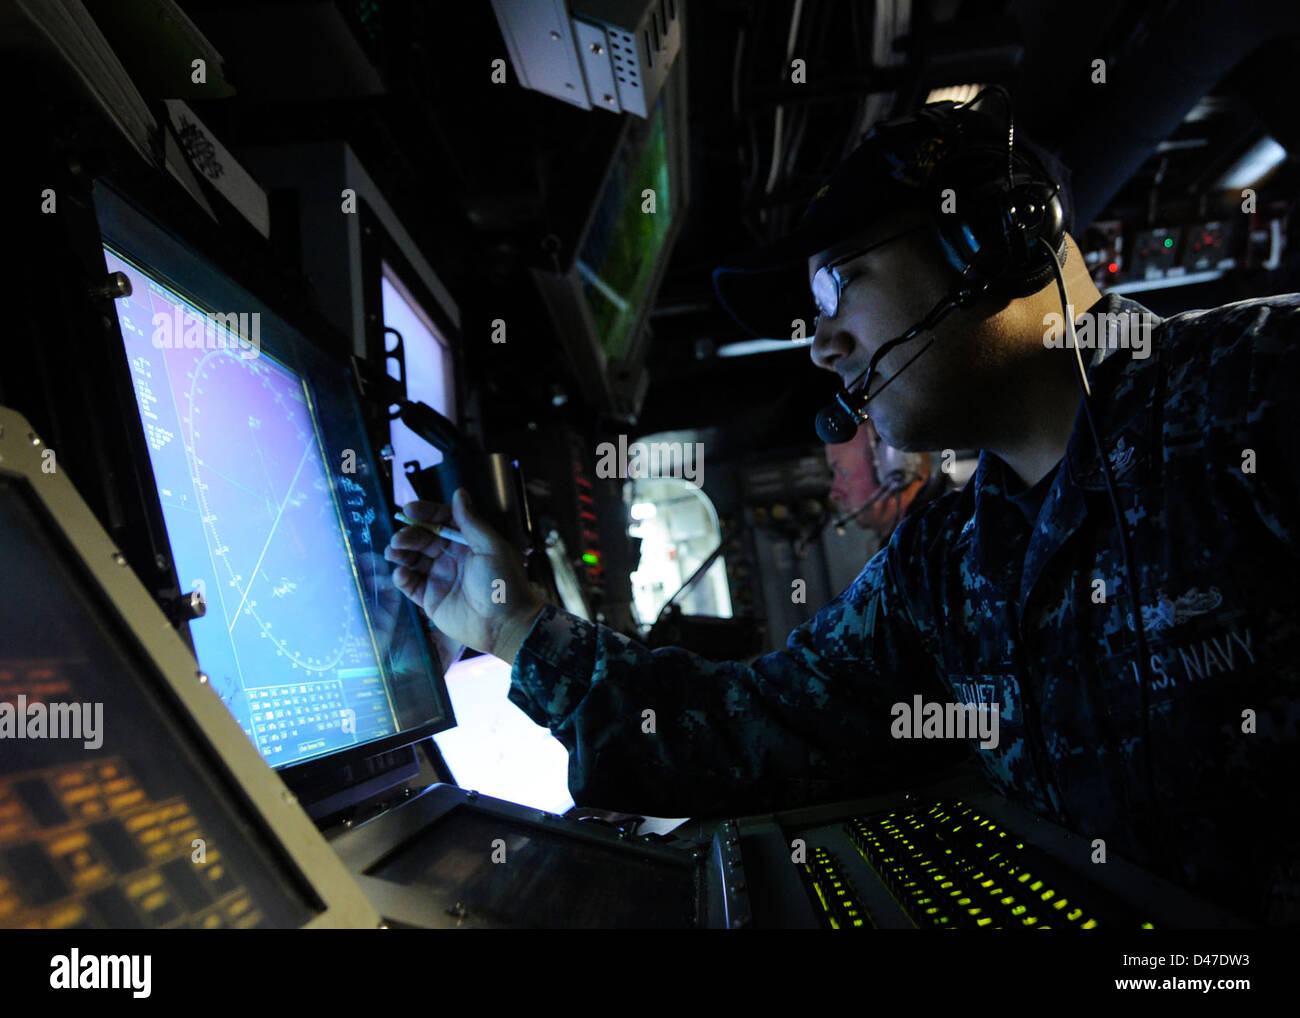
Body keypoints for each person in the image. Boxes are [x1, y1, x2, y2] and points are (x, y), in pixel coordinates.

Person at [385, 93, 1300, 925]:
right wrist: (511, 624)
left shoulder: (1254, 386)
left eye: (841, 283)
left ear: (994, 238)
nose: (822, 341)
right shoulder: (942, 563)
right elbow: (753, 725)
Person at [825, 418, 947, 538]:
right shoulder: (908, 547)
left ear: (893, 464)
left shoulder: (939, 540)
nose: (835, 494)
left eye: (843, 472)